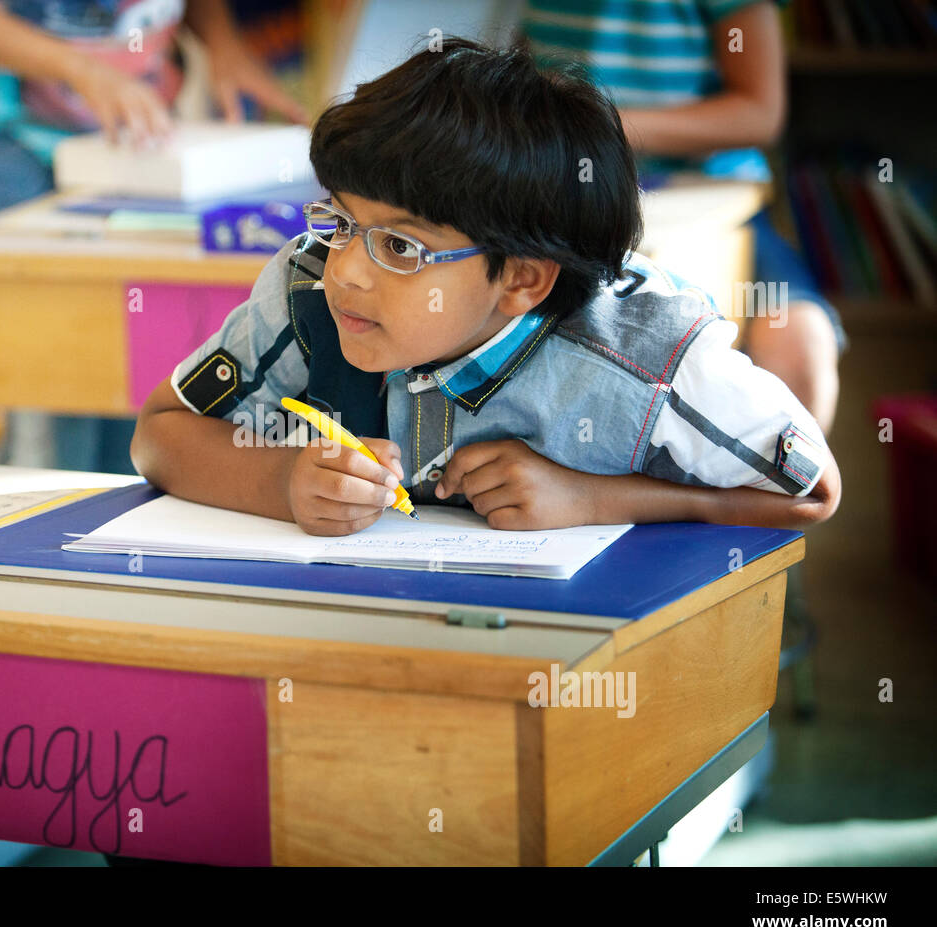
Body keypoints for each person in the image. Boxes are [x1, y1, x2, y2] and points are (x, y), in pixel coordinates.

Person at [130, 40, 841, 536]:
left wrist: (593, 500)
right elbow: (159, 436)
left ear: (523, 280)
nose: (347, 267)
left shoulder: (647, 361)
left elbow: (810, 492)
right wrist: (282, 482)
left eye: (401, 246)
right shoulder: (309, 284)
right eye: (342, 220)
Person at [0, 0, 309, 474]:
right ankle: (55, 504)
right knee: (51, 366)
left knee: (136, 343)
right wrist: (81, 70)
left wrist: (224, 47)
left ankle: (126, 493)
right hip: (9, 140)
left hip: (136, 141)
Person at [520, 0, 844, 434]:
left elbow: (760, 112)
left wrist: (604, 127)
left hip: (720, 206)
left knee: (800, 345)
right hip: (571, 203)